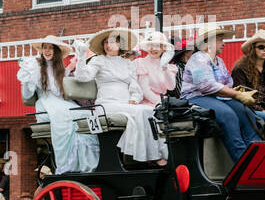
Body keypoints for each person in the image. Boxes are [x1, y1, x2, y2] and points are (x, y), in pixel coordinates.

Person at [74, 27, 167, 164]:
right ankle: (153, 156)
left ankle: (151, 153)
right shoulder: (99, 60)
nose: (107, 45)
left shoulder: (127, 63)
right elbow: (82, 77)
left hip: (125, 104)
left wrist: (134, 99)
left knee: (149, 110)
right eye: (105, 42)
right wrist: (81, 55)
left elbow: (135, 87)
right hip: (106, 105)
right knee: (142, 111)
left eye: (111, 42)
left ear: (119, 45)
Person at [16, 36, 99, 174]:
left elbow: (66, 90)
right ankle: (67, 164)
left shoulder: (62, 70)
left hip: (63, 103)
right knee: (68, 115)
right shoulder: (35, 68)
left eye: (51, 48)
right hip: (46, 102)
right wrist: (26, 78)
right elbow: (27, 95)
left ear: (56, 51)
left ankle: (85, 163)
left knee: (87, 114)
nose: (47, 50)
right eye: (45, 47)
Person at [179, 23, 260, 163]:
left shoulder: (220, 61)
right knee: (228, 115)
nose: (224, 43)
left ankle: (256, 157)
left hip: (216, 98)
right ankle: (242, 163)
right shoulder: (198, 58)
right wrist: (236, 94)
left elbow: (227, 83)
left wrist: (234, 91)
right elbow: (206, 86)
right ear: (207, 41)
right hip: (195, 98)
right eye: (220, 39)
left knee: (246, 112)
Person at [135, 31, 178, 108]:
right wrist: (160, 103)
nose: (154, 48)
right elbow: (145, 90)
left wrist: (164, 67)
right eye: (151, 45)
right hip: (146, 103)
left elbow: (171, 87)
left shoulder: (168, 66)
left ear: (163, 49)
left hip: (163, 102)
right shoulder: (141, 63)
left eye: (158, 46)